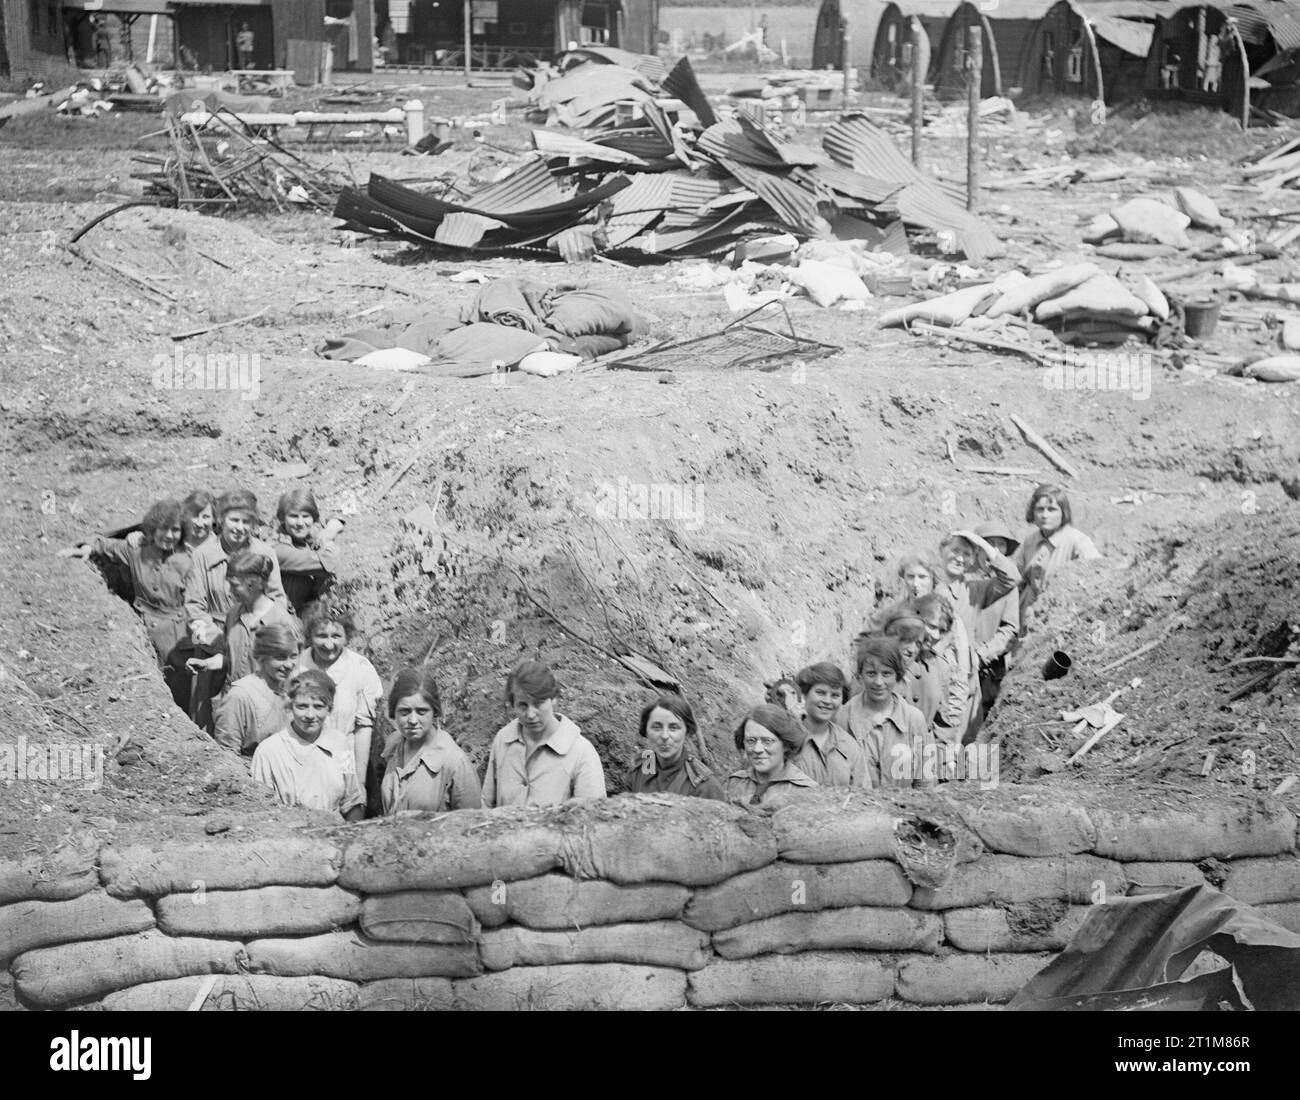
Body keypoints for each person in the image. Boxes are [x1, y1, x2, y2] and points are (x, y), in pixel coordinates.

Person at [61, 499, 192, 669]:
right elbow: (102, 543)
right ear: (153, 528)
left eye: (175, 530)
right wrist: (87, 548)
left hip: (180, 638)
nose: (168, 535)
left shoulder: (189, 560)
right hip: (146, 632)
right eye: (163, 528)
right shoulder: (135, 551)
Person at [481, 660, 606, 807]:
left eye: (538, 704)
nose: (530, 714)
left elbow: (593, 817)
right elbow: (487, 805)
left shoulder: (581, 752)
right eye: (522, 705)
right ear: (512, 704)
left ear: (553, 700)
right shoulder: (503, 740)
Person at [251, 670, 365, 820]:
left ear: (329, 708)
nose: (310, 715)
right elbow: (259, 812)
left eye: (318, 706)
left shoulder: (341, 744)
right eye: (302, 706)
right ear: (290, 706)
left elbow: (352, 800)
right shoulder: (268, 752)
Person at [294, 602, 382, 782]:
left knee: (346, 798)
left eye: (336, 636)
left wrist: (359, 781)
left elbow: (363, 728)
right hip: (302, 751)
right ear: (310, 635)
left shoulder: (359, 668)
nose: (329, 644)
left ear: (346, 636)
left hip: (344, 754)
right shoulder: (297, 666)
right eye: (321, 636)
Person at [836, 636, 937, 790]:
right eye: (871, 673)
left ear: (898, 676)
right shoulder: (843, 718)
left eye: (886, 673)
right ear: (860, 676)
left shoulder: (914, 720)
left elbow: (924, 783)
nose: (878, 682)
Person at [189, 549, 301, 686]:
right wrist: (207, 663)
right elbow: (230, 657)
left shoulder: (281, 622)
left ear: (253, 585)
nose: (230, 591)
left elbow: (292, 673)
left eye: (235, 585)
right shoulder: (233, 615)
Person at [380, 668, 482, 813]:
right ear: (393, 712)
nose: (413, 721)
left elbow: (472, 823)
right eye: (404, 712)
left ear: (435, 711)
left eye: (422, 711)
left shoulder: (454, 762)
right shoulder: (393, 749)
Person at [1015, 483, 1101, 630]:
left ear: (1063, 513)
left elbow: (1097, 574)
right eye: (1040, 509)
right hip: (1027, 611)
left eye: (1052, 509)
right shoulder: (1030, 541)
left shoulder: (1077, 541)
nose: (1045, 515)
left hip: (1058, 616)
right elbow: (1017, 578)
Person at [213, 623, 297, 755]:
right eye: (280, 658)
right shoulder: (240, 695)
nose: (289, 664)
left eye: (293, 656)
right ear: (262, 657)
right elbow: (227, 753)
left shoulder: (293, 690)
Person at [623, 694, 725, 799]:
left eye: (674, 728)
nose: (664, 736)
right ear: (646, 731)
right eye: (656, 727)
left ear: (687, 733)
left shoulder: (705, 785)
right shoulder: (637, 771)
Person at [970, 520, 1022, 721]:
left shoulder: (1009, 587)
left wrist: (982, 655)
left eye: (1000, 545)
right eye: (988, 543)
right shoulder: (965, 581)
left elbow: (1009, 631)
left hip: (990, 672)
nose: (995, 550)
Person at [911, 591, 976, 751]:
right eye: (931, 626)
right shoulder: (888, 657)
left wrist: (943, 761)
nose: (935, 635)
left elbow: (943, 724)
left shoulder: (939, 665)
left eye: (941, 630)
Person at [724, 704, 817, 807]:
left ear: (785, 744)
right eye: (751, 741)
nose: (757, 749)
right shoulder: (734, 783)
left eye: (767, 741)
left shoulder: (806, 791)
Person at [792, 663, 867, 788]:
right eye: (820, 693)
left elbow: (862, 795)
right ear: (805, 694)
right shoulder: (786, 738)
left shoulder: (850, 747)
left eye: (835, 695)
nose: (827, 701)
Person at [273, 489, 342, 618]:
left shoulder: (305, 533)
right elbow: (331, 562)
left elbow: (335, 517)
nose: (300, 523)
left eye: (305, 516)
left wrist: (330, 529)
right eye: (293, 516)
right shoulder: (277, 549)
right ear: (283, 518)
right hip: (285, 621)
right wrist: (327, 540)